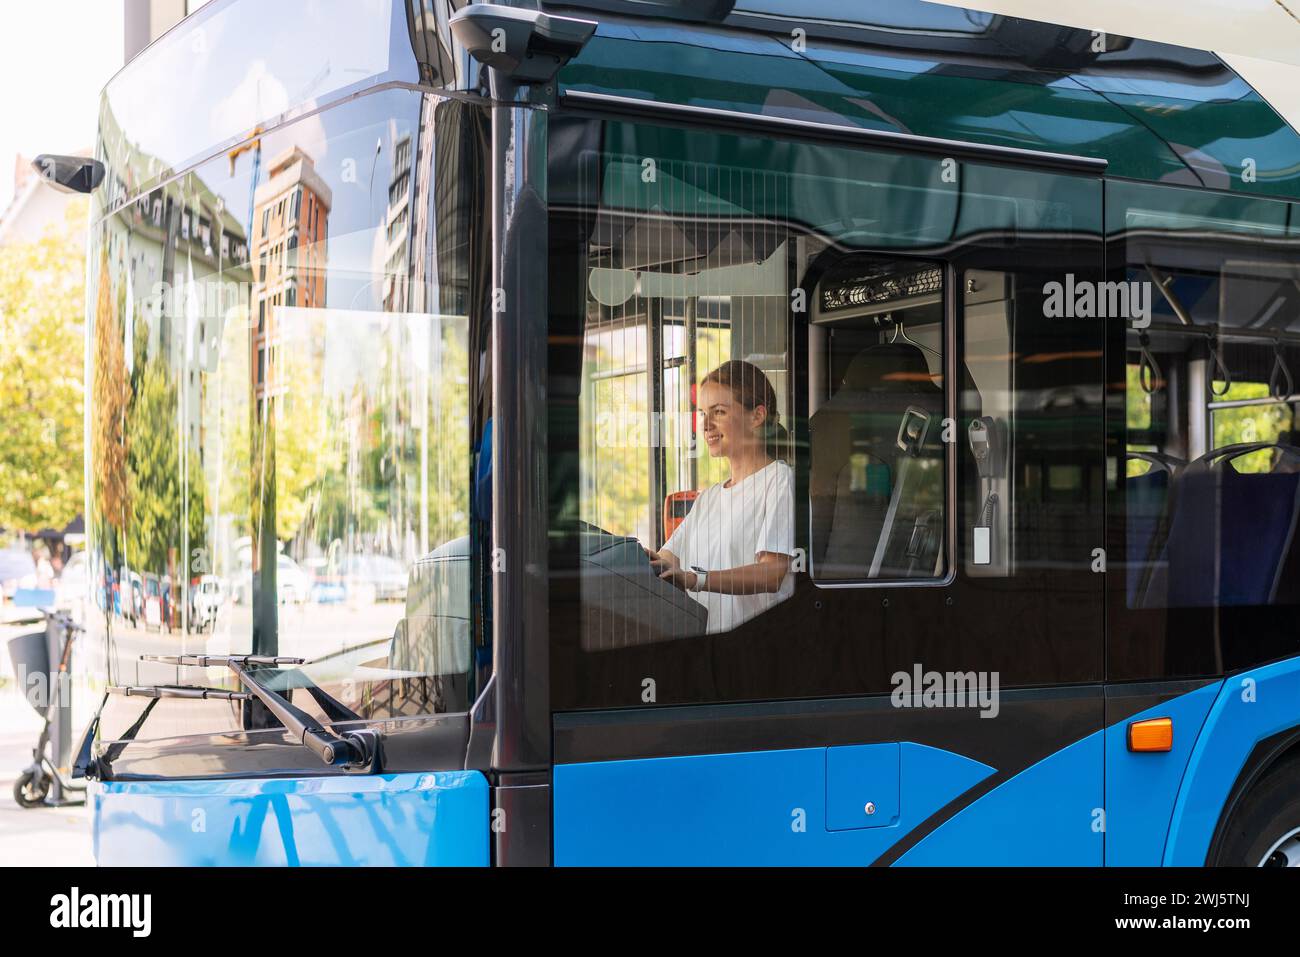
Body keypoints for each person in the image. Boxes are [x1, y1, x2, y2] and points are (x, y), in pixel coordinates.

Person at [649, 359, 795, 633]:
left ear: (756, 416)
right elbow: (670, 558)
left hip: (757, 652)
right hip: (710, 651)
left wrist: (695, 579)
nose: (706, 425)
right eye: (703, 413)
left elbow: (772, 574)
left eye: (718, 412)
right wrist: (638, 559)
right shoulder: (710, 498)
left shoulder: (779, 481)